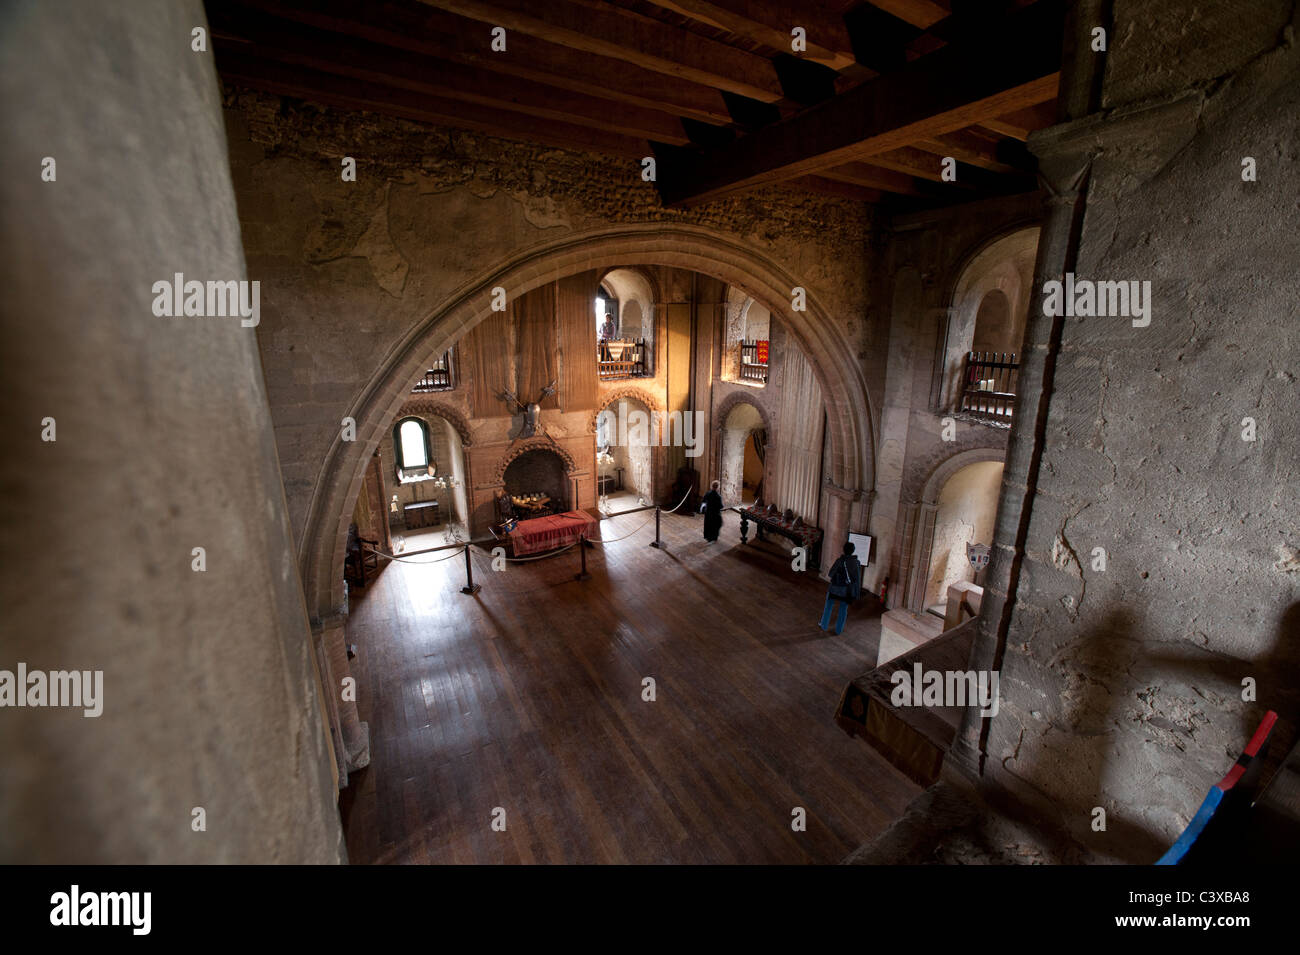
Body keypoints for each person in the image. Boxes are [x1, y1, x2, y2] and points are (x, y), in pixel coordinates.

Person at [819, 541, 862, 634]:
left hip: (835, 588)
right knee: (843, 609)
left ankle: (824, 625)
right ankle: (838, 630)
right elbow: (857, 580)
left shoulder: (840, 561)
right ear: (853, 551)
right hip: (847, 591)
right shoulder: (856, 563)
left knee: (829, 606)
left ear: (844, 550)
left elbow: (830, 574)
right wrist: (857, 594)